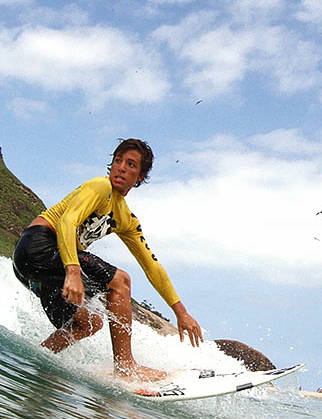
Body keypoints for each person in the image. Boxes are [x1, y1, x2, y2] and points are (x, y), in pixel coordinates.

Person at [12, 138, 203, 381]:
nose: (121, 167)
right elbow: (67, 222)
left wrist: (180, 311)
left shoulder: (125, 219)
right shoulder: (100, 187)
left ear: (141, 176)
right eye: (118, 161)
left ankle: (37, 358)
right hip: (38, 245)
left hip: (41, 269)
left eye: (131, 164)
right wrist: (72, 271)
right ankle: (125, 368)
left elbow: (151, 265)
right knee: (120, 280)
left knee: (88, 323)